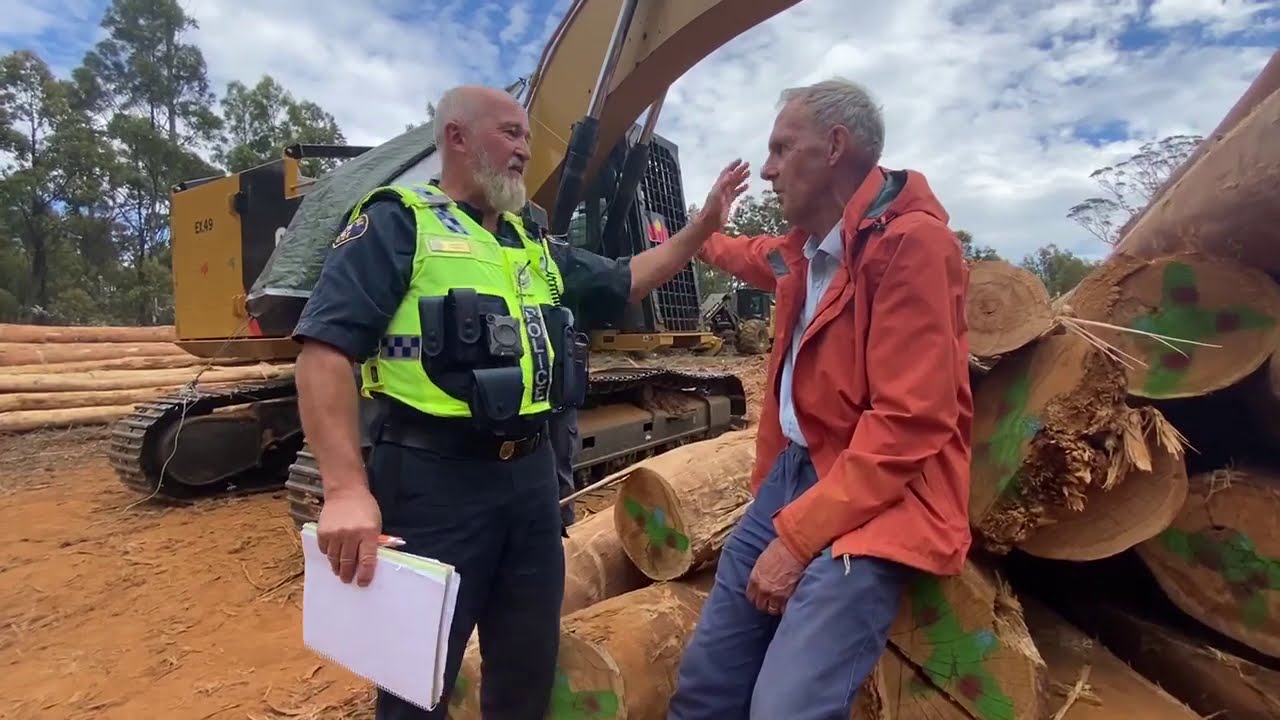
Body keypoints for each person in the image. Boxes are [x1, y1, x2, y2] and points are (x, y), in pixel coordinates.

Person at [290, 83, 749, 720]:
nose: (524, 152)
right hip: (433, 483)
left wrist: (701, 228)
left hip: (532, 483)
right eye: (510, 133)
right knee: (416, 684)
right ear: (456, 137)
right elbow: (323, 353)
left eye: (526, 139)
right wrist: (344, 489)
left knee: (526, 669)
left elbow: (630, 276)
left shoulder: (532, 246)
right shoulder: (398, 222)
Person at [666, 78, 973, 720]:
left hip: (877, 494)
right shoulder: (801, 253)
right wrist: (698, 227)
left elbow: (910, 423)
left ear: (835, 145)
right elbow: (745, 254)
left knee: (785, 709)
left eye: (781, 149)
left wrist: (798, 540)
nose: (770, 170)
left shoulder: (912, 246)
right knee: (706, 687)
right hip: (790, 477)